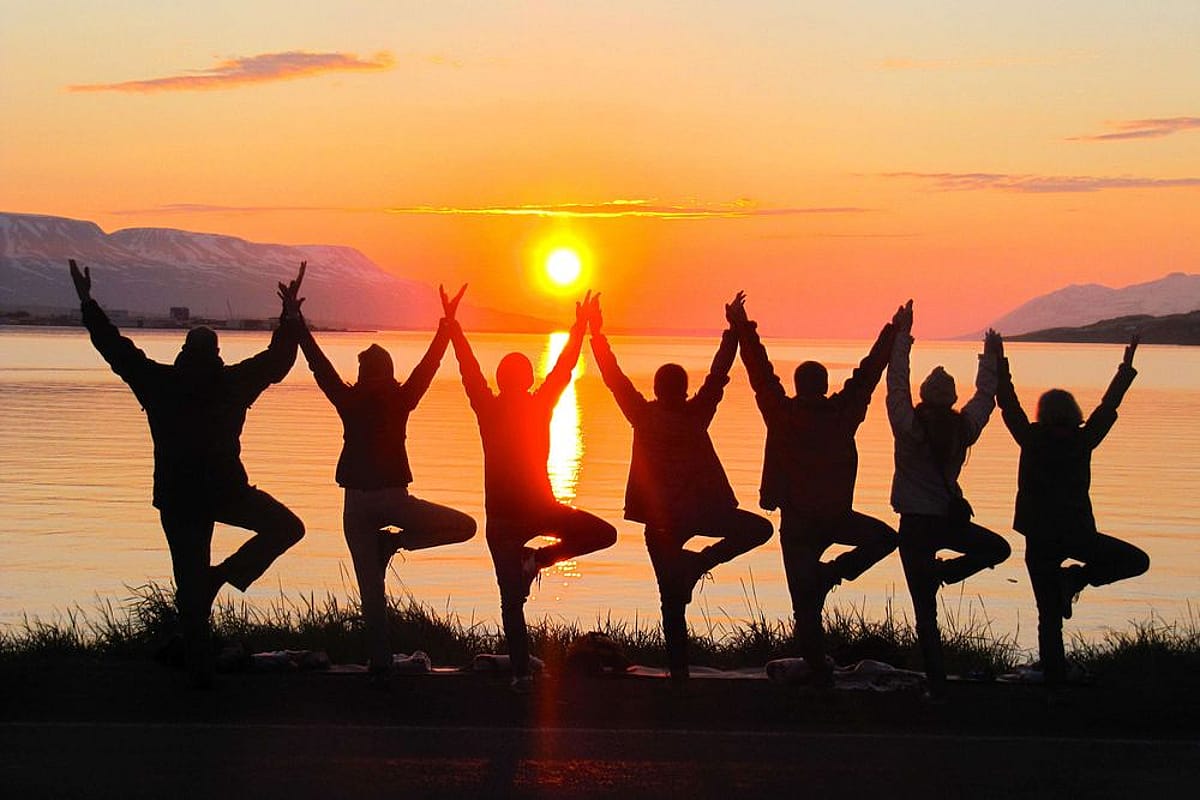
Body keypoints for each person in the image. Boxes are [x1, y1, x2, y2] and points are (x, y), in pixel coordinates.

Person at [69, 258, 306, 687]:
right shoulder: (233, 382)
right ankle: (220, 581)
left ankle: (200, 668)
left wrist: (87, 302)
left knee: (189, 582)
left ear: (182, 352)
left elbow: (113, 348)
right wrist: (290, 316)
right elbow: (278, 361)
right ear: (215, 354)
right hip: (226, 492)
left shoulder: (158, 382)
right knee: (287, 528)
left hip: (179, 498)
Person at [293, 275, 476, 679]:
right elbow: (428, 367)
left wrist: (297, 321)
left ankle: (380, 660)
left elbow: (319, 364)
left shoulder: (351, 398)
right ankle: (395, 545)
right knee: (465, 527)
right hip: (388, 500)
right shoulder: (399, 398)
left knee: (371, 592)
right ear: (387, 371)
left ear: (363, 372)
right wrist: (446, 327)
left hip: (361, 504)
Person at [589, 294, 772, 682]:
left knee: (671, 601)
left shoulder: (643, 414)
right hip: (692, 517)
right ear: (684, 390)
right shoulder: (694, 413)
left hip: (664, 524)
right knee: (759, 529)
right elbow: (718, 375)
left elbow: (613, 377)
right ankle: (697, 571)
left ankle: (679, 673)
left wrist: (595, 332)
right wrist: (734, 329)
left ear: (656, 389)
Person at [447, 290, 617, 691]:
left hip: (512, 515)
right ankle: (538, 560)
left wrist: (454, 328)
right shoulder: (538, 404)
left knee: (511, 602)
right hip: (535, 509)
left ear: (501, 380)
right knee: (602, 535)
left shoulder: (488, 407)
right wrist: (579, 329)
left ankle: (523, 672)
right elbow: (562, 370)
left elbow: (469, 371)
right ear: (526, 380)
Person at [727, 292, 896, 685]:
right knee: (886, 539)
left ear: (798, 385)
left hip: (800, 524)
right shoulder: (844, 413)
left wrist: (742, 325)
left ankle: (818, 662)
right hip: (837, 518)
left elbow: (759, 373)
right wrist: (891, 332)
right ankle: (830, 581)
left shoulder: (781, 414)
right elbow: (868, 375)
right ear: (824, 385)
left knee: (804, 602)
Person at [996, 333, 1148, 686]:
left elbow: (1008, 404)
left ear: (1044, 414)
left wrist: (998, 361)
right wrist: (1125, 369)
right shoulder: (1083, 440)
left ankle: (1054, 689)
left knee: (1048, 617)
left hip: (1041, 537)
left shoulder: (1031, 439)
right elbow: (1108, 408)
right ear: (1074, 414)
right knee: (1136, 561)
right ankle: (1076, 579)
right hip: (1077, 533)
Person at [885, 300, 1011, 700]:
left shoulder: (908, 427)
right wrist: (991, 359)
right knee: (997, 548)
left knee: (925, 611)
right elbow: (984, 399)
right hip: (948, 519)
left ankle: (937, 682)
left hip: (916, 525)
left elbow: (896, 385)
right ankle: (950, 573)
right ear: (952, 397)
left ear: (924, 396)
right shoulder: (963, 428)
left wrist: (902, 336)